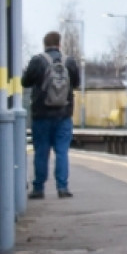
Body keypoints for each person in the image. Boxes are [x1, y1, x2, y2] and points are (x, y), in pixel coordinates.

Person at [21, 31, 82, 199]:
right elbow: (76, 83)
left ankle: (39, 188)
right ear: (59, 44)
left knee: (41, 152)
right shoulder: (69, 62)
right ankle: (62, 188)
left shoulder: (38, 61)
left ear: (44, 44)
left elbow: (25, 82)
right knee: (62, 152)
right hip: (64, 114)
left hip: (41, 115)